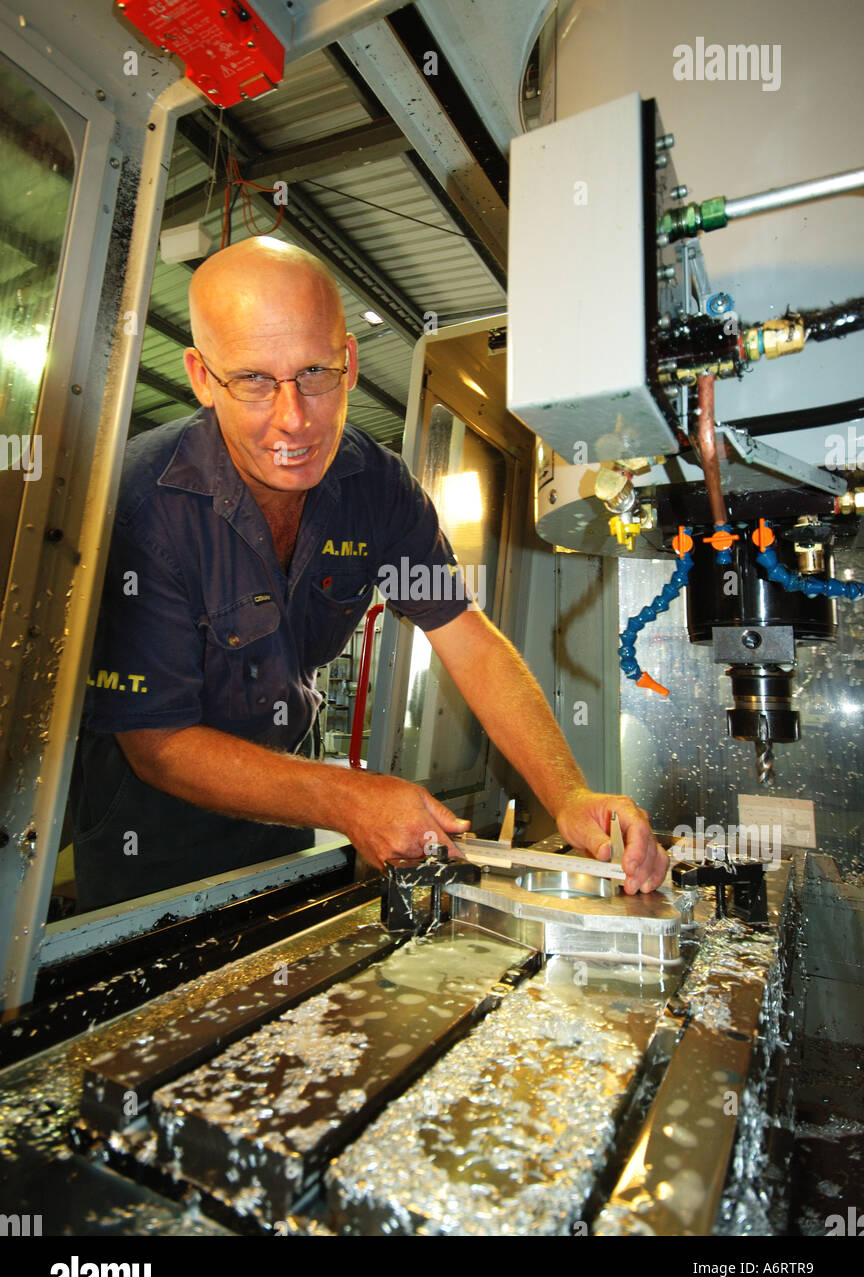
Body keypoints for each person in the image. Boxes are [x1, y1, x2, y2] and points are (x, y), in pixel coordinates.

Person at [70, 237, 666, 909]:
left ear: (350, 363)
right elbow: (158, 743)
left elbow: (465, 634)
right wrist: (349, 797)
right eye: (254, 380)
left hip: (281, 816)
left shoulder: (376, 488)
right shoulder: (141, 503)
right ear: (203, 378)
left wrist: (570, 794)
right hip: (146, 835)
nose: (292, 420)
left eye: (315, 373)